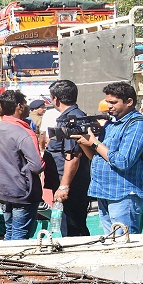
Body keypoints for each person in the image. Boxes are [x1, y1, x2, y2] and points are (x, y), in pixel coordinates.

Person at [77, 81, 143, 234]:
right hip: (104, 192)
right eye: (108, 102)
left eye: (113, 103)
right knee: (112, 243)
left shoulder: (138, 125)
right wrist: (84, 142)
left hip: (124, 194)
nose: (109, 106)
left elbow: (123, 161)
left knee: (124, 244)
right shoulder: (112, 124)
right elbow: (97, 157)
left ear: (129, 102)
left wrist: (94, 142)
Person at [0, 90, 44, 240]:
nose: (27, 107)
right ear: (19, 106)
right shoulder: (24, 133)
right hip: (22, 191)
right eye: (25, 104)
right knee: (20, 234)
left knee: (10, 230)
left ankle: (5, 261)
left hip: (2, 189)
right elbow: (37, 165)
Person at [46, 80, 92, 237]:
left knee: (73, 228)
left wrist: (64, 186)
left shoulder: (71, 120)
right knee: (74, 225)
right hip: (73, 182)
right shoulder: (75, 116)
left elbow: (73, 155)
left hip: (72, 184)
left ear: (56, 99)